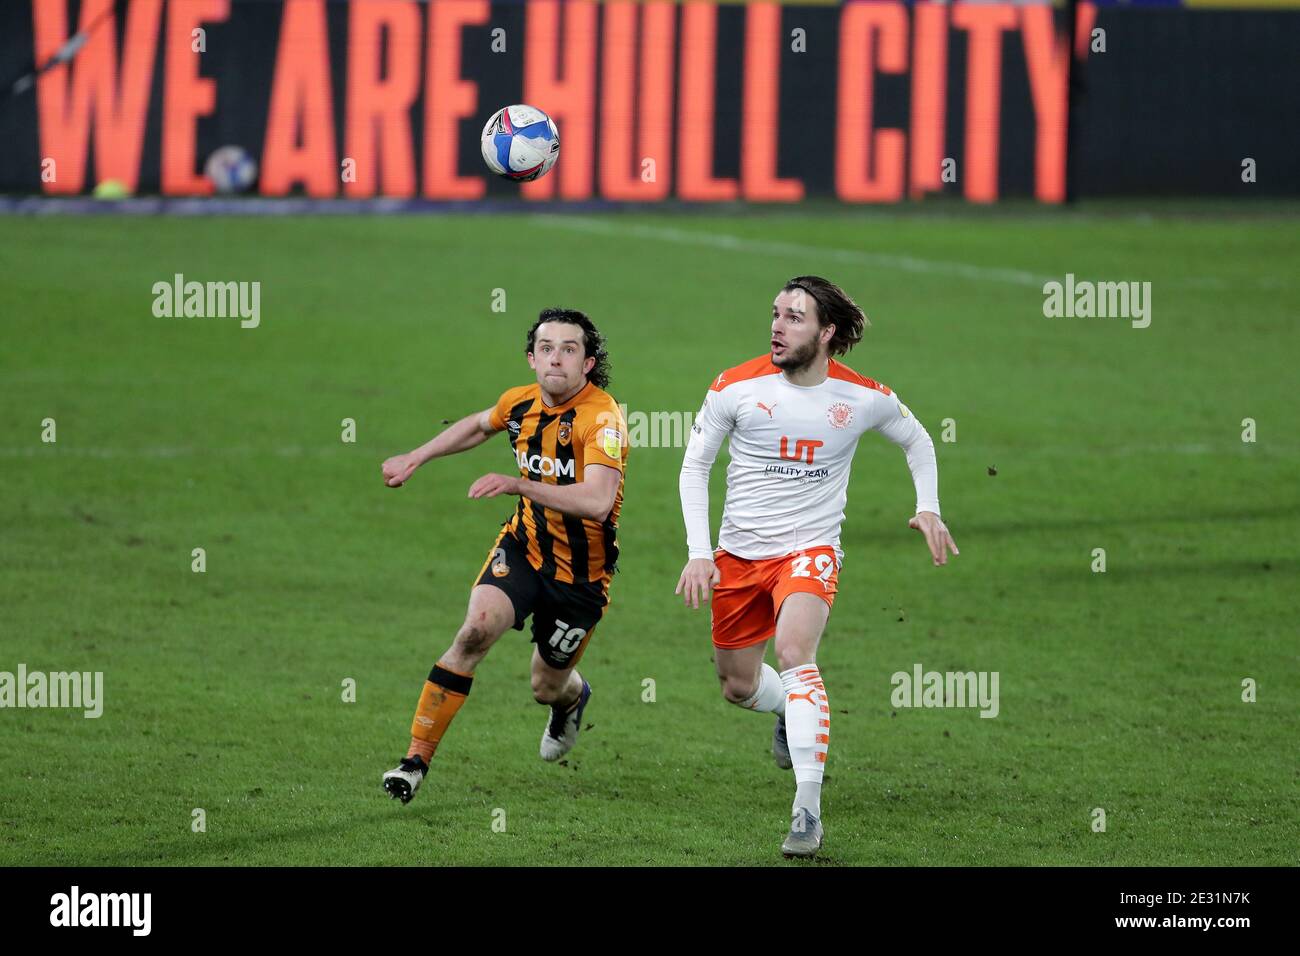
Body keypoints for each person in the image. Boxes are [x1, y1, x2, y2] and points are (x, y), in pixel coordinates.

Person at [675, 276, 958, 857]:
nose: (777, 327)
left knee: (796, 653)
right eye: (775, 314)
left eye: (794, 317)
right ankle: (784, 709)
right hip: (739, 554)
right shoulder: (734, 386)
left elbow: (918, 439)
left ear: (826, 332)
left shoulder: (862, 397)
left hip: (811, 550)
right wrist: (701, 553)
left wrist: (927, 507)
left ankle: (807, 811)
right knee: (736, 685)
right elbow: (693, 467)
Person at [381, 309, 627, 804]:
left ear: (588, 363)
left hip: (579, 579)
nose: (556, 357)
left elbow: (599, 500)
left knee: (546, 684)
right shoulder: (520, 403)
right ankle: (415, 760)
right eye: (547, 347)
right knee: (474, 631)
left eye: (570, 348)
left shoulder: (603, 419)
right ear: (532, 358)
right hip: (524, 549)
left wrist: (517, 483)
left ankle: (573, 699)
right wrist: (417, 456)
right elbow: (477, 426)